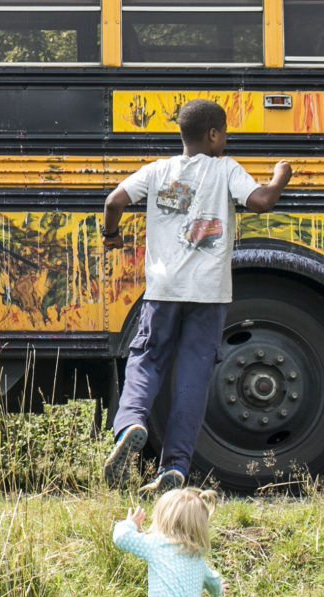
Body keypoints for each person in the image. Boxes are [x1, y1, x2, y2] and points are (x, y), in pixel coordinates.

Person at [101, 99, 292, 494]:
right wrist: (280, 176)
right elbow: (261, 202)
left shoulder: (158, 171)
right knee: (193, 377)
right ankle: (174, 467)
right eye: (225, 133)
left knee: (148, 359)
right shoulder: (225, 169)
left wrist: (112, 234)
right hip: (209, 295)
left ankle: (131, 423)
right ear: (214, 135)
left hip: (163, 291)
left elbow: (114, 201)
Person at [111, 488, 226, 597]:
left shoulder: (156, 544)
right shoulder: (196, 556)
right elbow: (213, 584)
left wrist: (131, 524)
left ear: (162, 518)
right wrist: (219, 588)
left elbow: (121, 537)